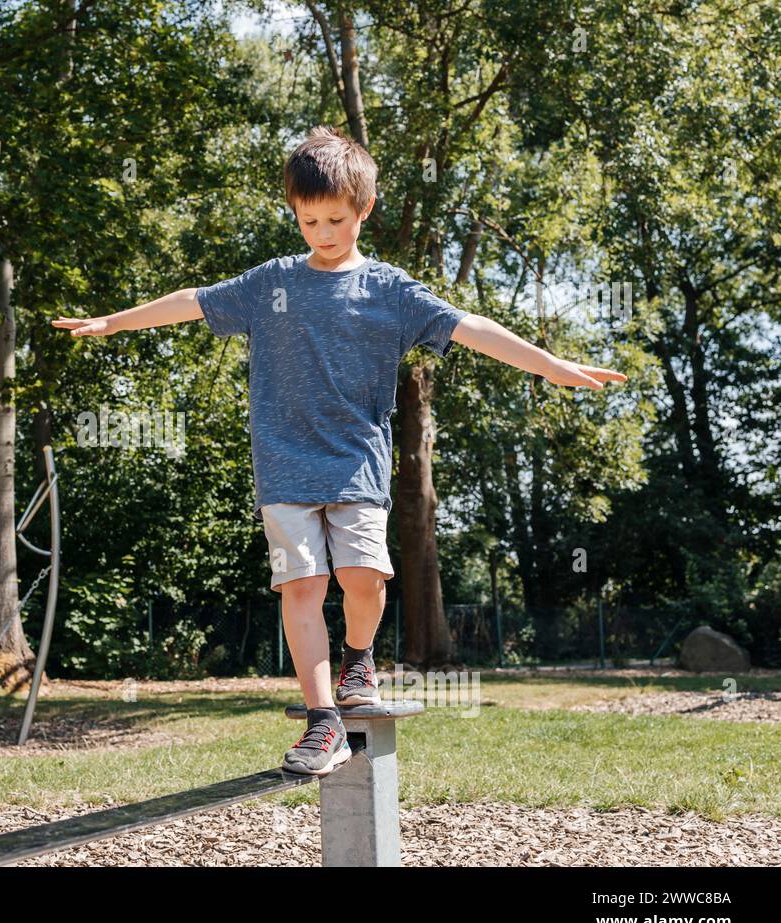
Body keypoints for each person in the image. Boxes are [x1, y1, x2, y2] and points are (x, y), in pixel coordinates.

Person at [51, 125, 626, 775]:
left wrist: (548, 364)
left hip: (356, 461)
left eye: (335, 219)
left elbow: (472, 327)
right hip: (282, 463)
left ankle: (359, 659)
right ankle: (322, 721)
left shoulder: (391, 291)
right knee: (301, 586)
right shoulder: (272, 284)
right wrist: (114, 320)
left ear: (365, 210)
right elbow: (195, 301)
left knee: (362, 577)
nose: (322, 233)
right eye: (308, 220)